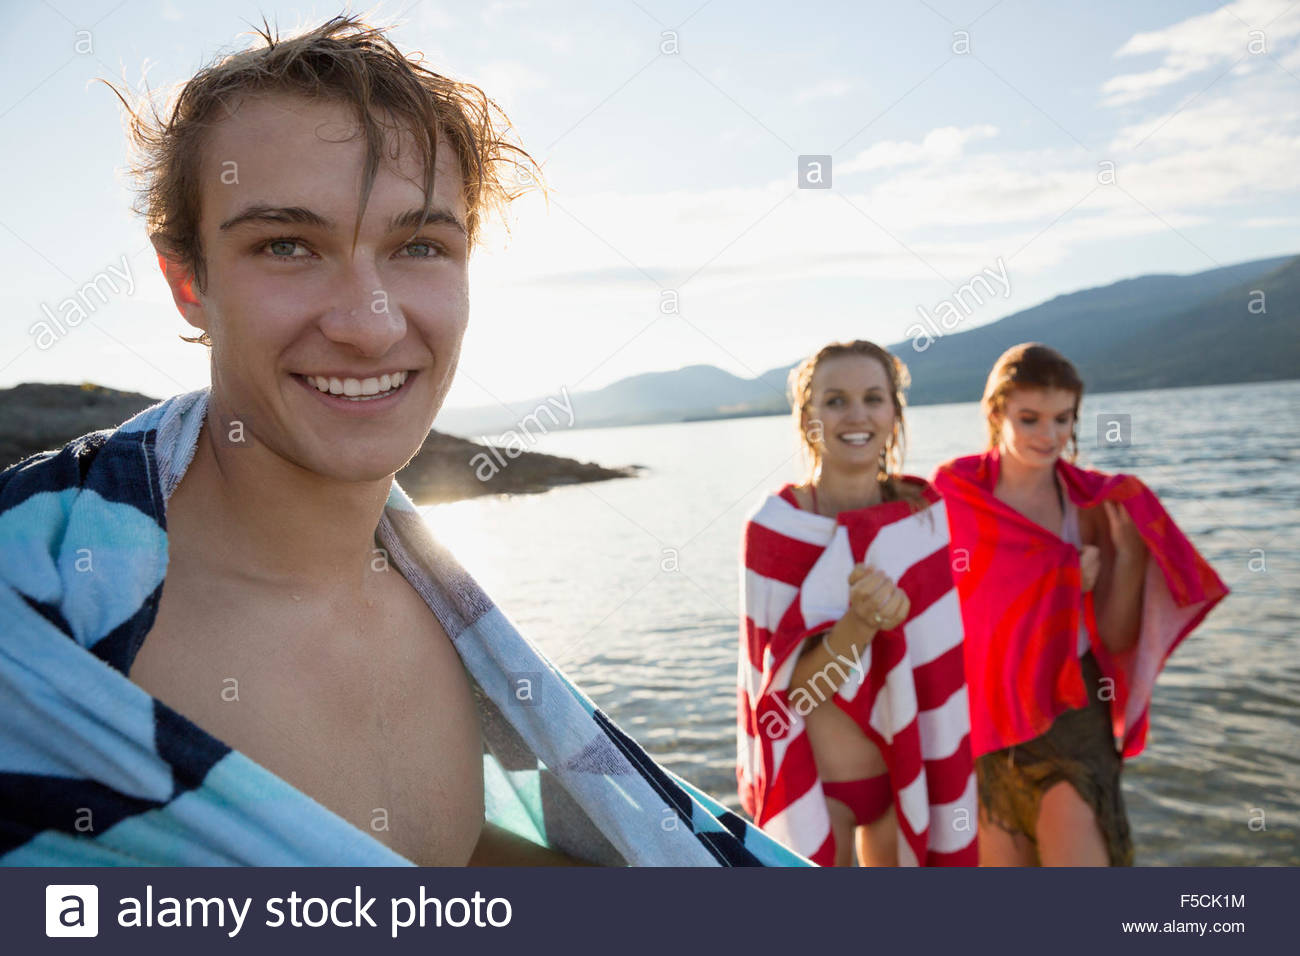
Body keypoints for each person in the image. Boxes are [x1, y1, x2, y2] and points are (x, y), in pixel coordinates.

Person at [0, 14, 808, 868]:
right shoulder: (34, 625)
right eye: (287, 245)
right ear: (187, 280)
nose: (369, 325)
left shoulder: (448, 624)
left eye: (418, 245)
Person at [932, 343, 1229, 866]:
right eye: (1030, 419)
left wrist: (1131, 558)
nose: (1049, 435)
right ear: (996, 413)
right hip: (984, 712)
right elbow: (951, 606)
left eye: (1062, 419)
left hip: (1074, 707)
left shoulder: (1093, 505)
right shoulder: (956, 496)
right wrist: (1059, 579)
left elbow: (1115, 639)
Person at [737, 340, 977, 866]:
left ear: (895, 414)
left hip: (904, 777)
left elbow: (939, 669)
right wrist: (860, 623)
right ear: (807, 419)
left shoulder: (922, 520)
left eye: (873, 398)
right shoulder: (775, 530)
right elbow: (786, 695)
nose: (857, 415)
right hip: (817, 787)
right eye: (835, 400)